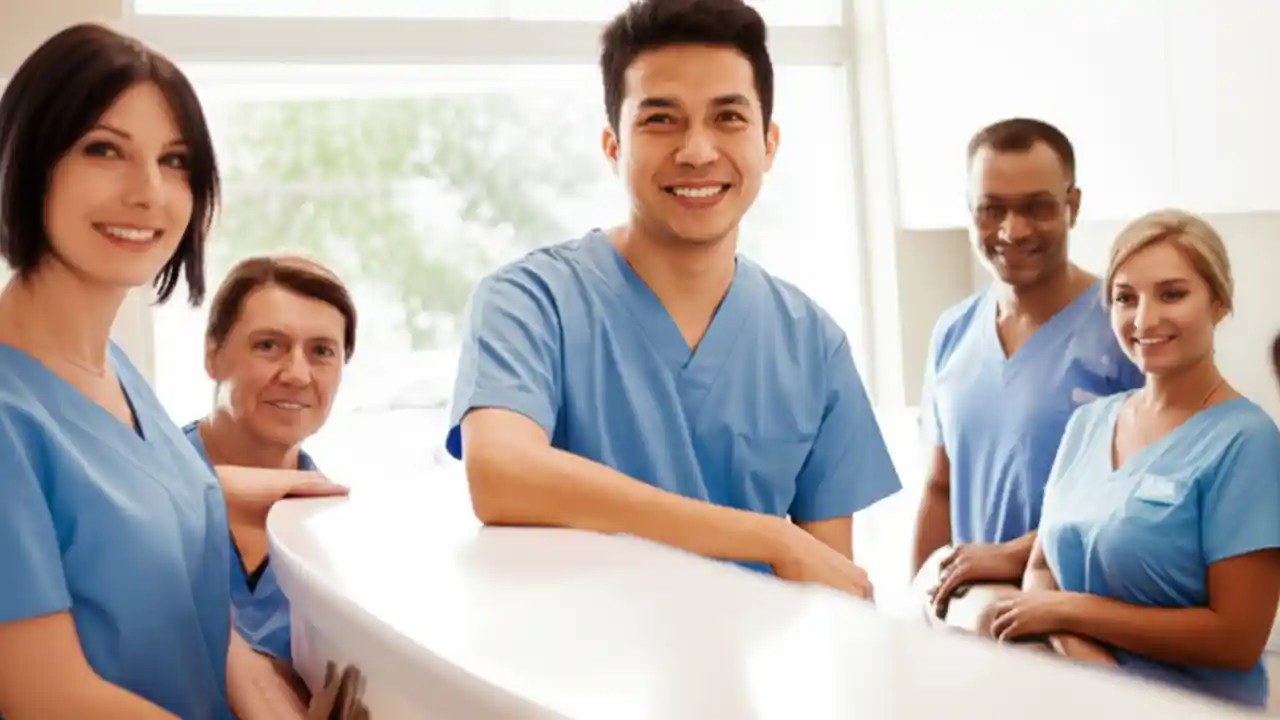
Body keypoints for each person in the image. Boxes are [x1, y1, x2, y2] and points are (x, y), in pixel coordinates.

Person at [446, 0, 900, 598]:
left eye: (728, 119)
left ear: (769, 143)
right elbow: (502, 475)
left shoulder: (811, 343)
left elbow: (829, 582)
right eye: (661, 120)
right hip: (565, 675)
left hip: (746, 683)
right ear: (613, 146)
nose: (696, 151)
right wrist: (769, 539)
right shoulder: (531, 302)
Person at [0, 24, 357, 720]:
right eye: (104, 149)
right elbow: (44, 697)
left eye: (175, 161)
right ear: (28, 158)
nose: (148, 192)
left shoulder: (117, 377)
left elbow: (198, 622)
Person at [990, 210, 1280, 709]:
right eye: (1125, 298)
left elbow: (1235, 639)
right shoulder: (1089, 423)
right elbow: (1043, 568)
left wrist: (1071, 612)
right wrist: (1088, 662)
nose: (1144, 320)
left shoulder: (1248, 442)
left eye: (1172, 294)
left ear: (1219, 302)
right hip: (1081, 697)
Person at [912, 118, 1144, 628]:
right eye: (992, 209)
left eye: (1036, 207)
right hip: (976, 629)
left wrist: (1017, 554)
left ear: (1072, 206)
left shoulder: (1127, 332)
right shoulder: (952, 333)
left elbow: (1145, 506)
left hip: (1089, 628)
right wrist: (919, 615)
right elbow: (939, 490)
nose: (1012, 231)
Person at [184, 256, 356, 692]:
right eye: (268, 345)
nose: (297, 374)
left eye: (322, 352)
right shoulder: (133, 483)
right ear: (212, 355)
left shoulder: (340, 531)